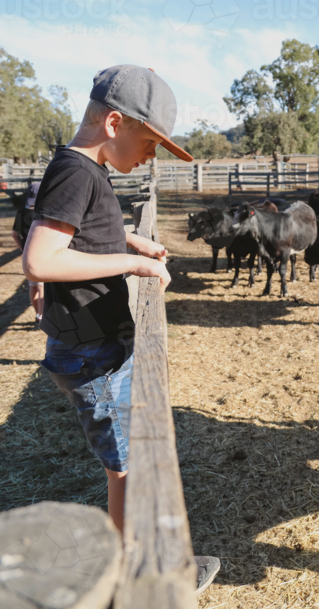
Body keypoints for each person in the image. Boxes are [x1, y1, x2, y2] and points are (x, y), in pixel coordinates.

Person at [22, 65, 220, 594]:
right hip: (93, 351)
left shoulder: (86, 172)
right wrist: (132, 267)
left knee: (127, 466)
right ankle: (139, 579)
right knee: (131, 470)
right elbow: (41, 259)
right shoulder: (76, 172)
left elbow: (89, 227)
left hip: (91, 344)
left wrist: (132, 240)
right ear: (114, 122)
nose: (152, 156)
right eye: (150, 142)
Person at [11, 182, 44, 327]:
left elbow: (15, 234)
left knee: (33, 286)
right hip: (42, 255)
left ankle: (37, 313)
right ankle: (42, 317)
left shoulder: (21, 213)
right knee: (42, 287)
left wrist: (23, 249)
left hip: (28, 255)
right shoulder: (42, 214)